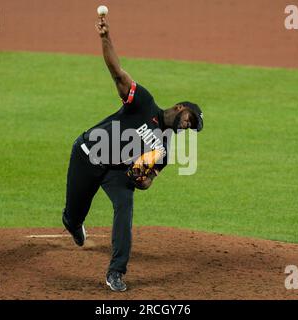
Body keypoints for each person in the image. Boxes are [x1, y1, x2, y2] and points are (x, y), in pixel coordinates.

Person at [62, 16, 204, 292]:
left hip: (118, 173)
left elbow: (149, 180)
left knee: (125, 206)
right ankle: (73, 223)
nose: (187, 126)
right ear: (179, 108)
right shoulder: (143, 103)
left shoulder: (164, 149)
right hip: (88, 153)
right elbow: (116, 71)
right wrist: (105, 37)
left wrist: (142, 181)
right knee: (73, 215)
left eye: (191, 126)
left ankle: (116, 271)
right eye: (189, 119)